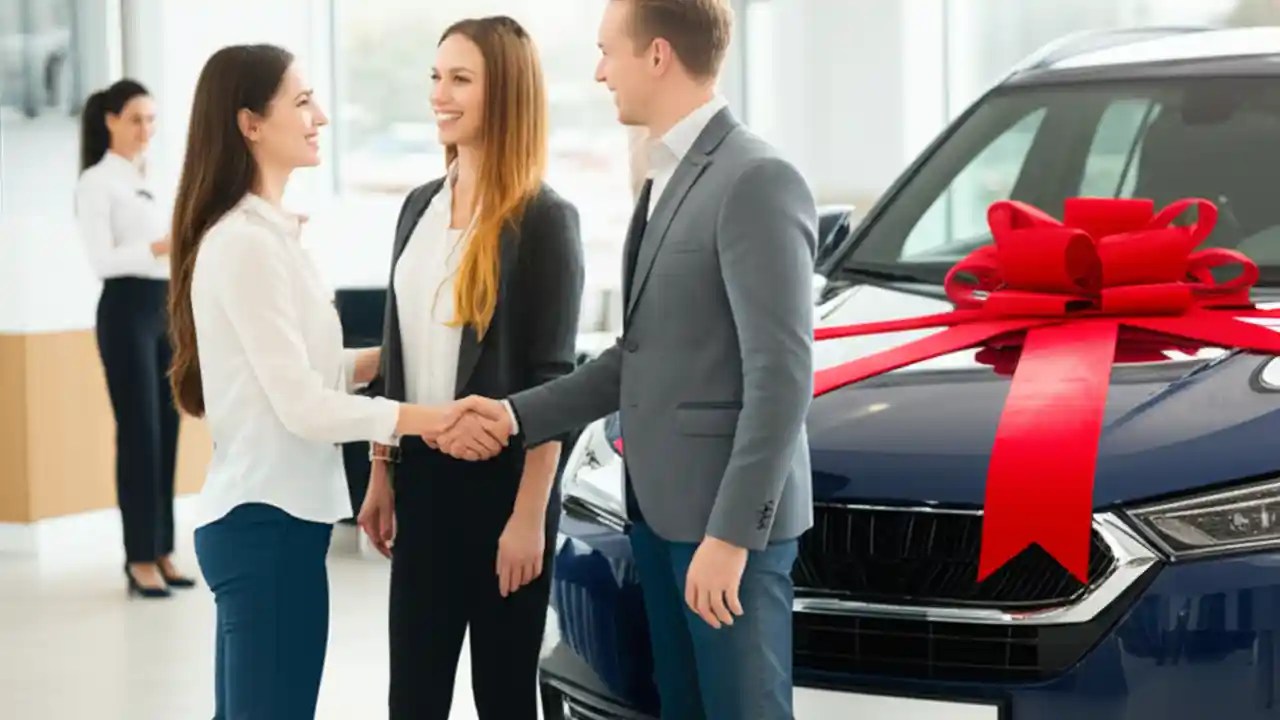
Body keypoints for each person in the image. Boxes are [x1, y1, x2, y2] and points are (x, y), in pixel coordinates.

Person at [448, 0, 818, 717]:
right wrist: (509, 415)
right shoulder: (668, 176)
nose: (599, 73)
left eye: (607, 53)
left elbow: (782, 377)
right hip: (656, 515)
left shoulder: (755, 178)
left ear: (657, 55)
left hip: (721, 528)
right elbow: (638, 358)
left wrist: (731, 537)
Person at [165, 44, 491, 719]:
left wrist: (401, 351)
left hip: (272, 524)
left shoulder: (268, 238)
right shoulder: (246, 243)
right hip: (267, 528)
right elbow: (305, 407)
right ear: (250, 122)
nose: (321, 117)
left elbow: (313, 372)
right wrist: (431, 417)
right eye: (302, 101)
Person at [354, 16, 584, 720]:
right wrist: (382, 471)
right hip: (421, 486)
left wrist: (528, 519)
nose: (439, 94)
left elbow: (554, 381)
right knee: (412, 697)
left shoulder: (545, 219)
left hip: (503, 496)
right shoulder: (418, 206)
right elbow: (400, 354)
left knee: (503, 698)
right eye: (435, 76)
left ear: (505, 92)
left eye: (460, 79)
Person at [76, 78, 191, 598]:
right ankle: (138, 557)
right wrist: (160, 244)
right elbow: (103, 261)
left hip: (164, 308)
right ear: (110, 121)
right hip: (125, 310)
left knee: (168, 428)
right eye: (136, 120)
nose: (146, 131)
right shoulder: (98, 182)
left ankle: (163, 549)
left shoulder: (159, 178)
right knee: (139, 432)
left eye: (152, 120)